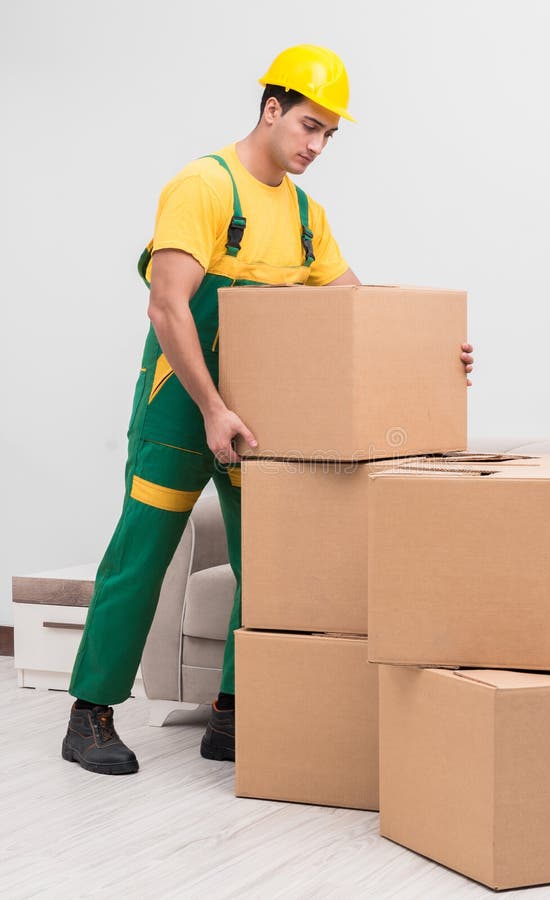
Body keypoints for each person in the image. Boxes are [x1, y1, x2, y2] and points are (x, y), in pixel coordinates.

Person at [61, 44, 475, 775]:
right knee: (141, 557)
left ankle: (233, 711)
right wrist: (213, 409)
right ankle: (90, 713)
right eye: (308, 126)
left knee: (272, 567)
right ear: (271, 109)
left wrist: (434, 356)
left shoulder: (307, 217)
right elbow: (167, 306)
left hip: (263, 425)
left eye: (329, 135)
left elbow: (358, 312)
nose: (316, 146)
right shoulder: (204, 186)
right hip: (180, 413)